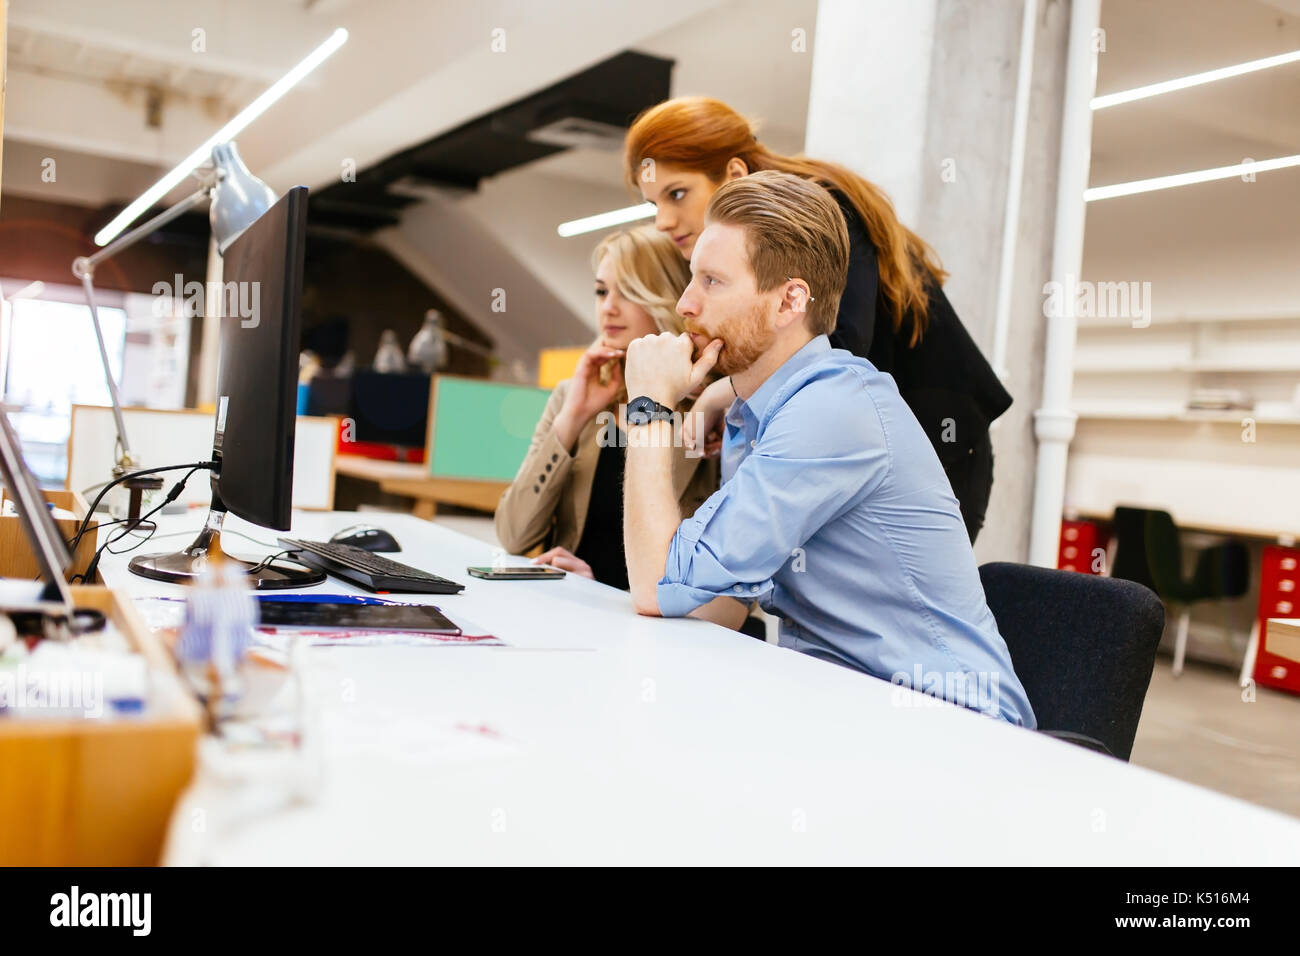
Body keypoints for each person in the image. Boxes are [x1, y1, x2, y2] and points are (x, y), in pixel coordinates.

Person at [620, 171, 1034, 727]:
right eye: (693, 279)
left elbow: (656, 585)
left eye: (713, 282)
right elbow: (714, 600)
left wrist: (650, 408)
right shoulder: (758, 413)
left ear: (790, 299)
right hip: (842, 702)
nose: (687, 305)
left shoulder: (831, 412)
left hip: (953, 727)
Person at [624, 96, 1011, 542]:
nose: (662, 221)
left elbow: (835, 345)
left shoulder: (816, 213)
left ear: (732, 174)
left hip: (941, 435)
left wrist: (718, 393)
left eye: (676, 194)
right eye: (653, 203)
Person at [494, 226, 717, 589]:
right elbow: (513, 534)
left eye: (628, 292)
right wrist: (572, 418)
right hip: (564, 614)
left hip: (655, 631)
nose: (608, 307)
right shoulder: (572, 397)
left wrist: (599, 587)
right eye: (601, 291)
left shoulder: (709, 413)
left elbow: (718, 579)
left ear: (665, 297)